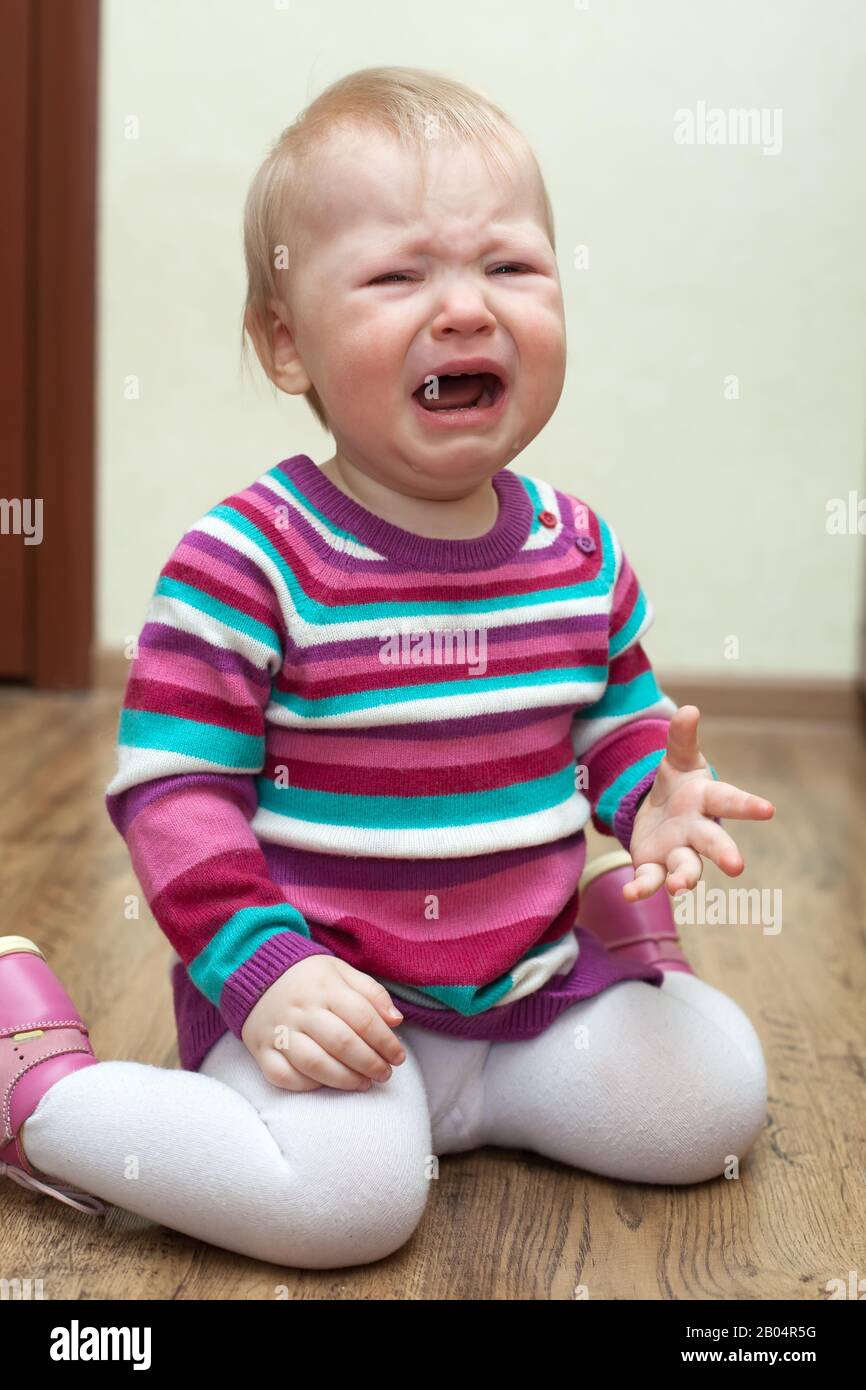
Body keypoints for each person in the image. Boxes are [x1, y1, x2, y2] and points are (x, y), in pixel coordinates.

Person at [0, 66, 775, 1270]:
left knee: (714, 1101)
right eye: (397, 275)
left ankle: (554, 1020)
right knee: (347, 1205)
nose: (464, 309)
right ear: (285, 341)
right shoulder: (245, 558)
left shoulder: (577, 549)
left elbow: (609, 719)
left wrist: (649, 795)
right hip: (328, 1009)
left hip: (523, 1000)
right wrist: (264, 973)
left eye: (508, 266)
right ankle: (37, 1090)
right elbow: (173, 795)